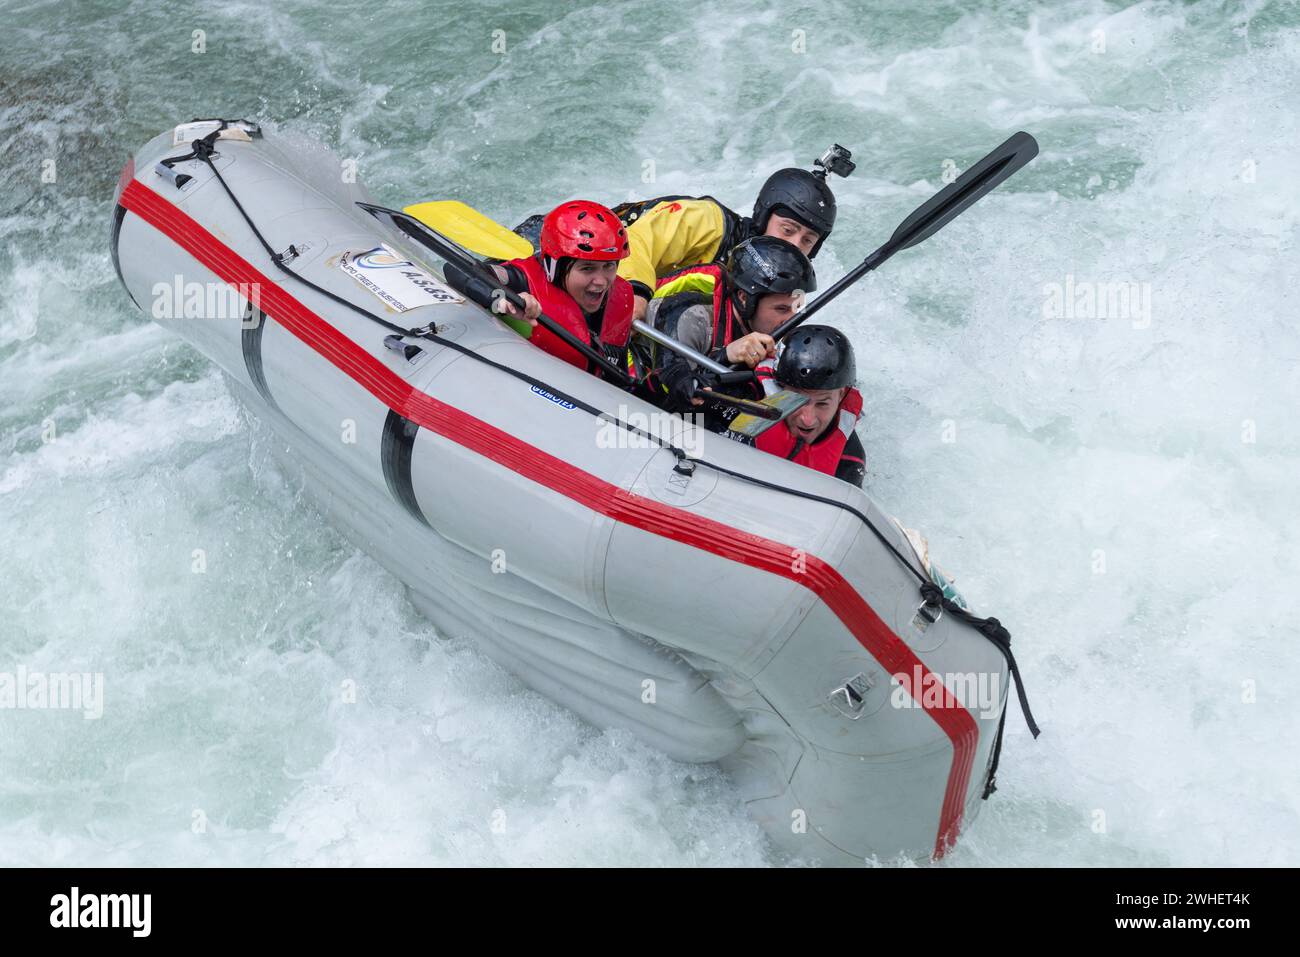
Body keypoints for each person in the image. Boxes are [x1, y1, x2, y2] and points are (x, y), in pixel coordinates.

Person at [613, 165, 837, 322]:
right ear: (763, 217)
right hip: (604, 277)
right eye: (787, 230)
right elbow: (632, 241)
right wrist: (636, 293)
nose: (795, 246)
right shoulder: (708, 221)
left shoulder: (789, 285)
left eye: (808, 241)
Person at [639, 236, 816, 413]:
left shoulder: (775, 327)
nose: (793, 320)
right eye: (782, 309)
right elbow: (676, 390)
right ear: (744, 299)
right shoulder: (689, 316)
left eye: (797, 308)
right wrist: (725, 355)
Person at [490, 200, 636, 377]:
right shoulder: (523, 280)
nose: (601, 282)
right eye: (587, 268)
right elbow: (457, 273)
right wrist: (500, 300)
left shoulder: (621, 297)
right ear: (554, 267)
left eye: (609, 266)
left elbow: (617, 378)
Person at [748, 324, 865, 487]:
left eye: (822, 404)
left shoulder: (850, 461)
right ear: (778, 389)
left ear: (841, 396)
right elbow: (699, 443)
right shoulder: (744, 397)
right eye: (797, 400)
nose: (807, 420)